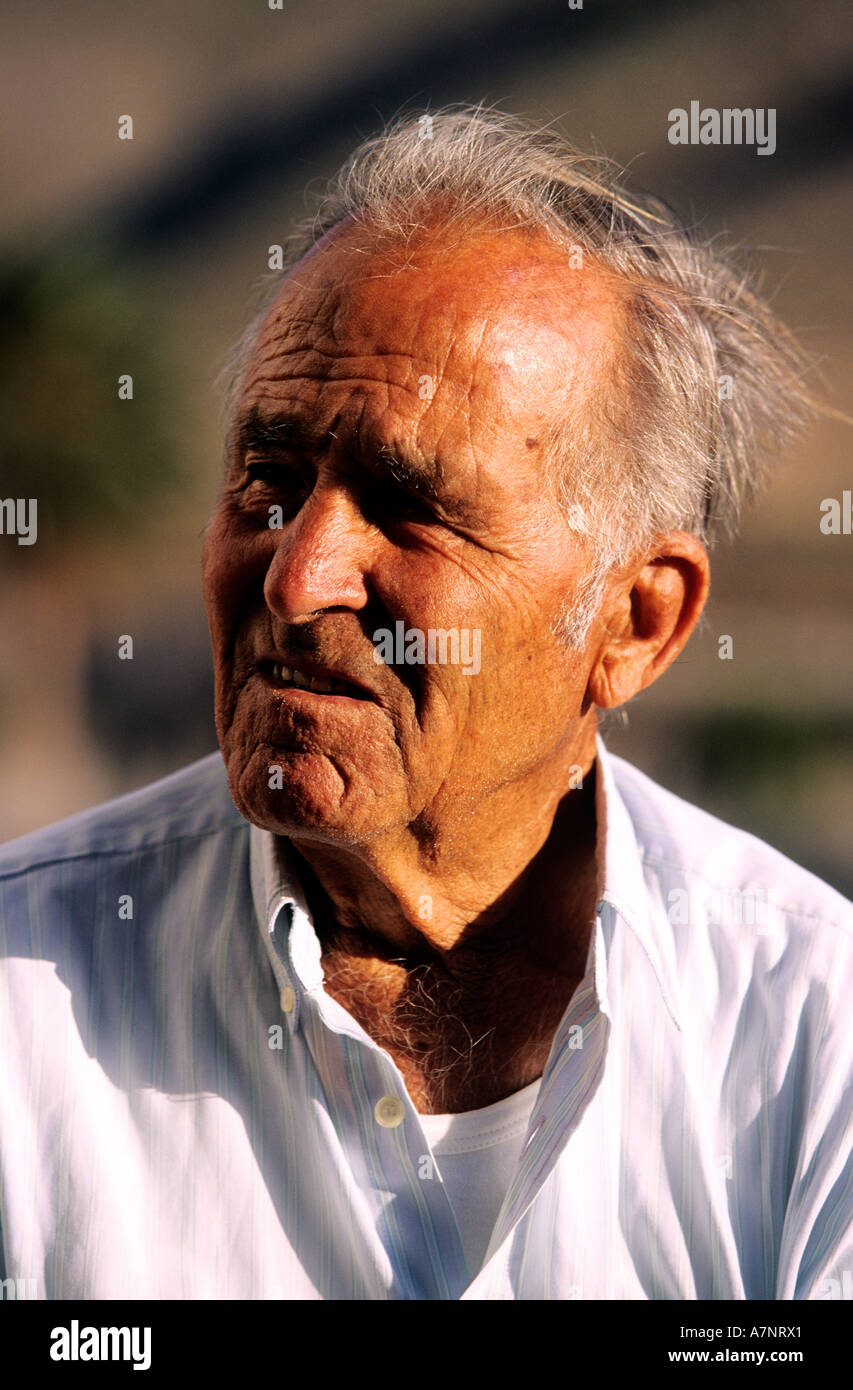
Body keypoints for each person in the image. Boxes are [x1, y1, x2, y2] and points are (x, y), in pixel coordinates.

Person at [0, 108, 850, 1301]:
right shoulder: (18, 1002)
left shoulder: (814, 1037)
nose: (297, 578)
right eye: (268, 479)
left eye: (410, 508)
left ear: (634, 621)